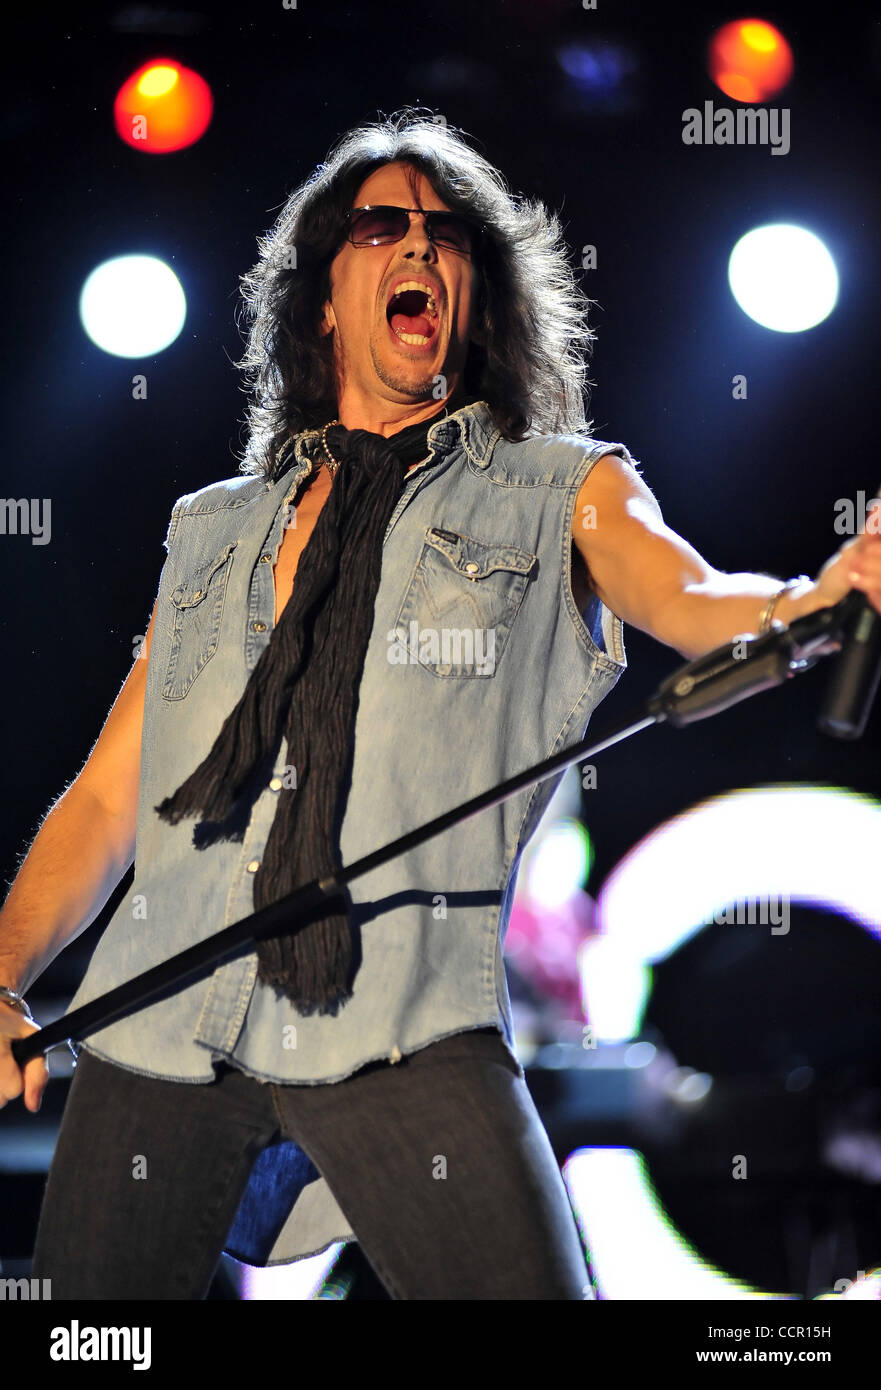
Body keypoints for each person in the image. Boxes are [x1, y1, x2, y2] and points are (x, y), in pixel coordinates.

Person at [2, 108, 880, 1302]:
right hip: (161, 1028)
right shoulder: (210, 527)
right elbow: (113, 793)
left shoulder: (559, 491)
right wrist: (3, 972)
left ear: (479, 293)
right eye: (381, 226)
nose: (420, 246)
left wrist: (814, 597)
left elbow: (692, 600)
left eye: (448, 233)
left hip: (404, 1024)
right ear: (320, 297)